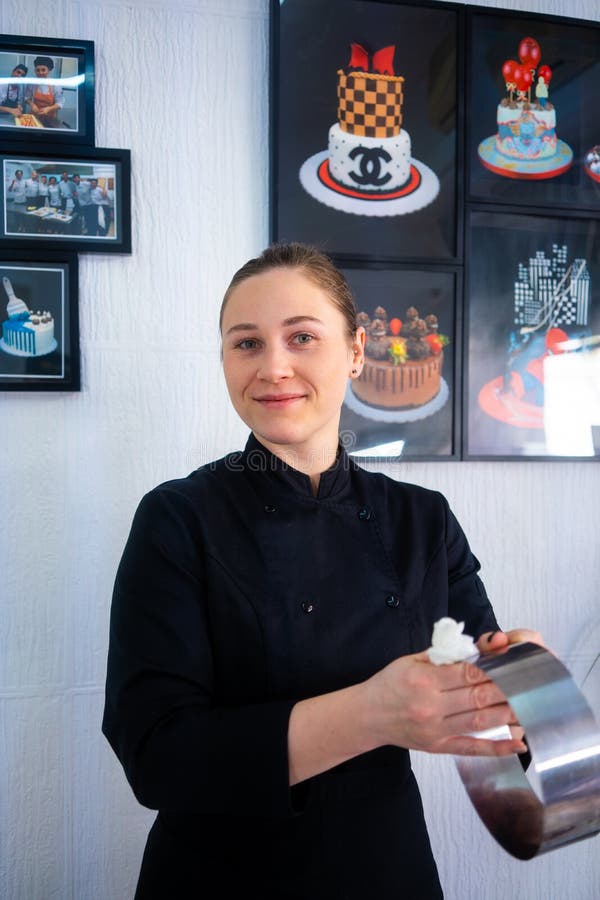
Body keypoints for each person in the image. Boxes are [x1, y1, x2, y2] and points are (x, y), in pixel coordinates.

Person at [102, 242, 541, 899]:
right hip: (221, 878)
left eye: (302, 336)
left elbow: (483, 698)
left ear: (357, 351)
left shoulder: (422, 520)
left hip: (387, 870)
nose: (274, 367)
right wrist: (373, 712)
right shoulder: (178, 519)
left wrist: (529, 683)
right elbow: (156, 757)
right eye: (246, 344)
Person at [24, 55, 64, 127]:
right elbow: (27, 98)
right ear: (35, 71)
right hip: (35, 114)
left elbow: (60, 103)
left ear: (48, 70)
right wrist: (32, 104)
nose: (40, 73)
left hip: (50, 117)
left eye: (43, 70)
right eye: (37, 70)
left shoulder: (55, 85)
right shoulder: (31, 83)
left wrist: (48, 109)